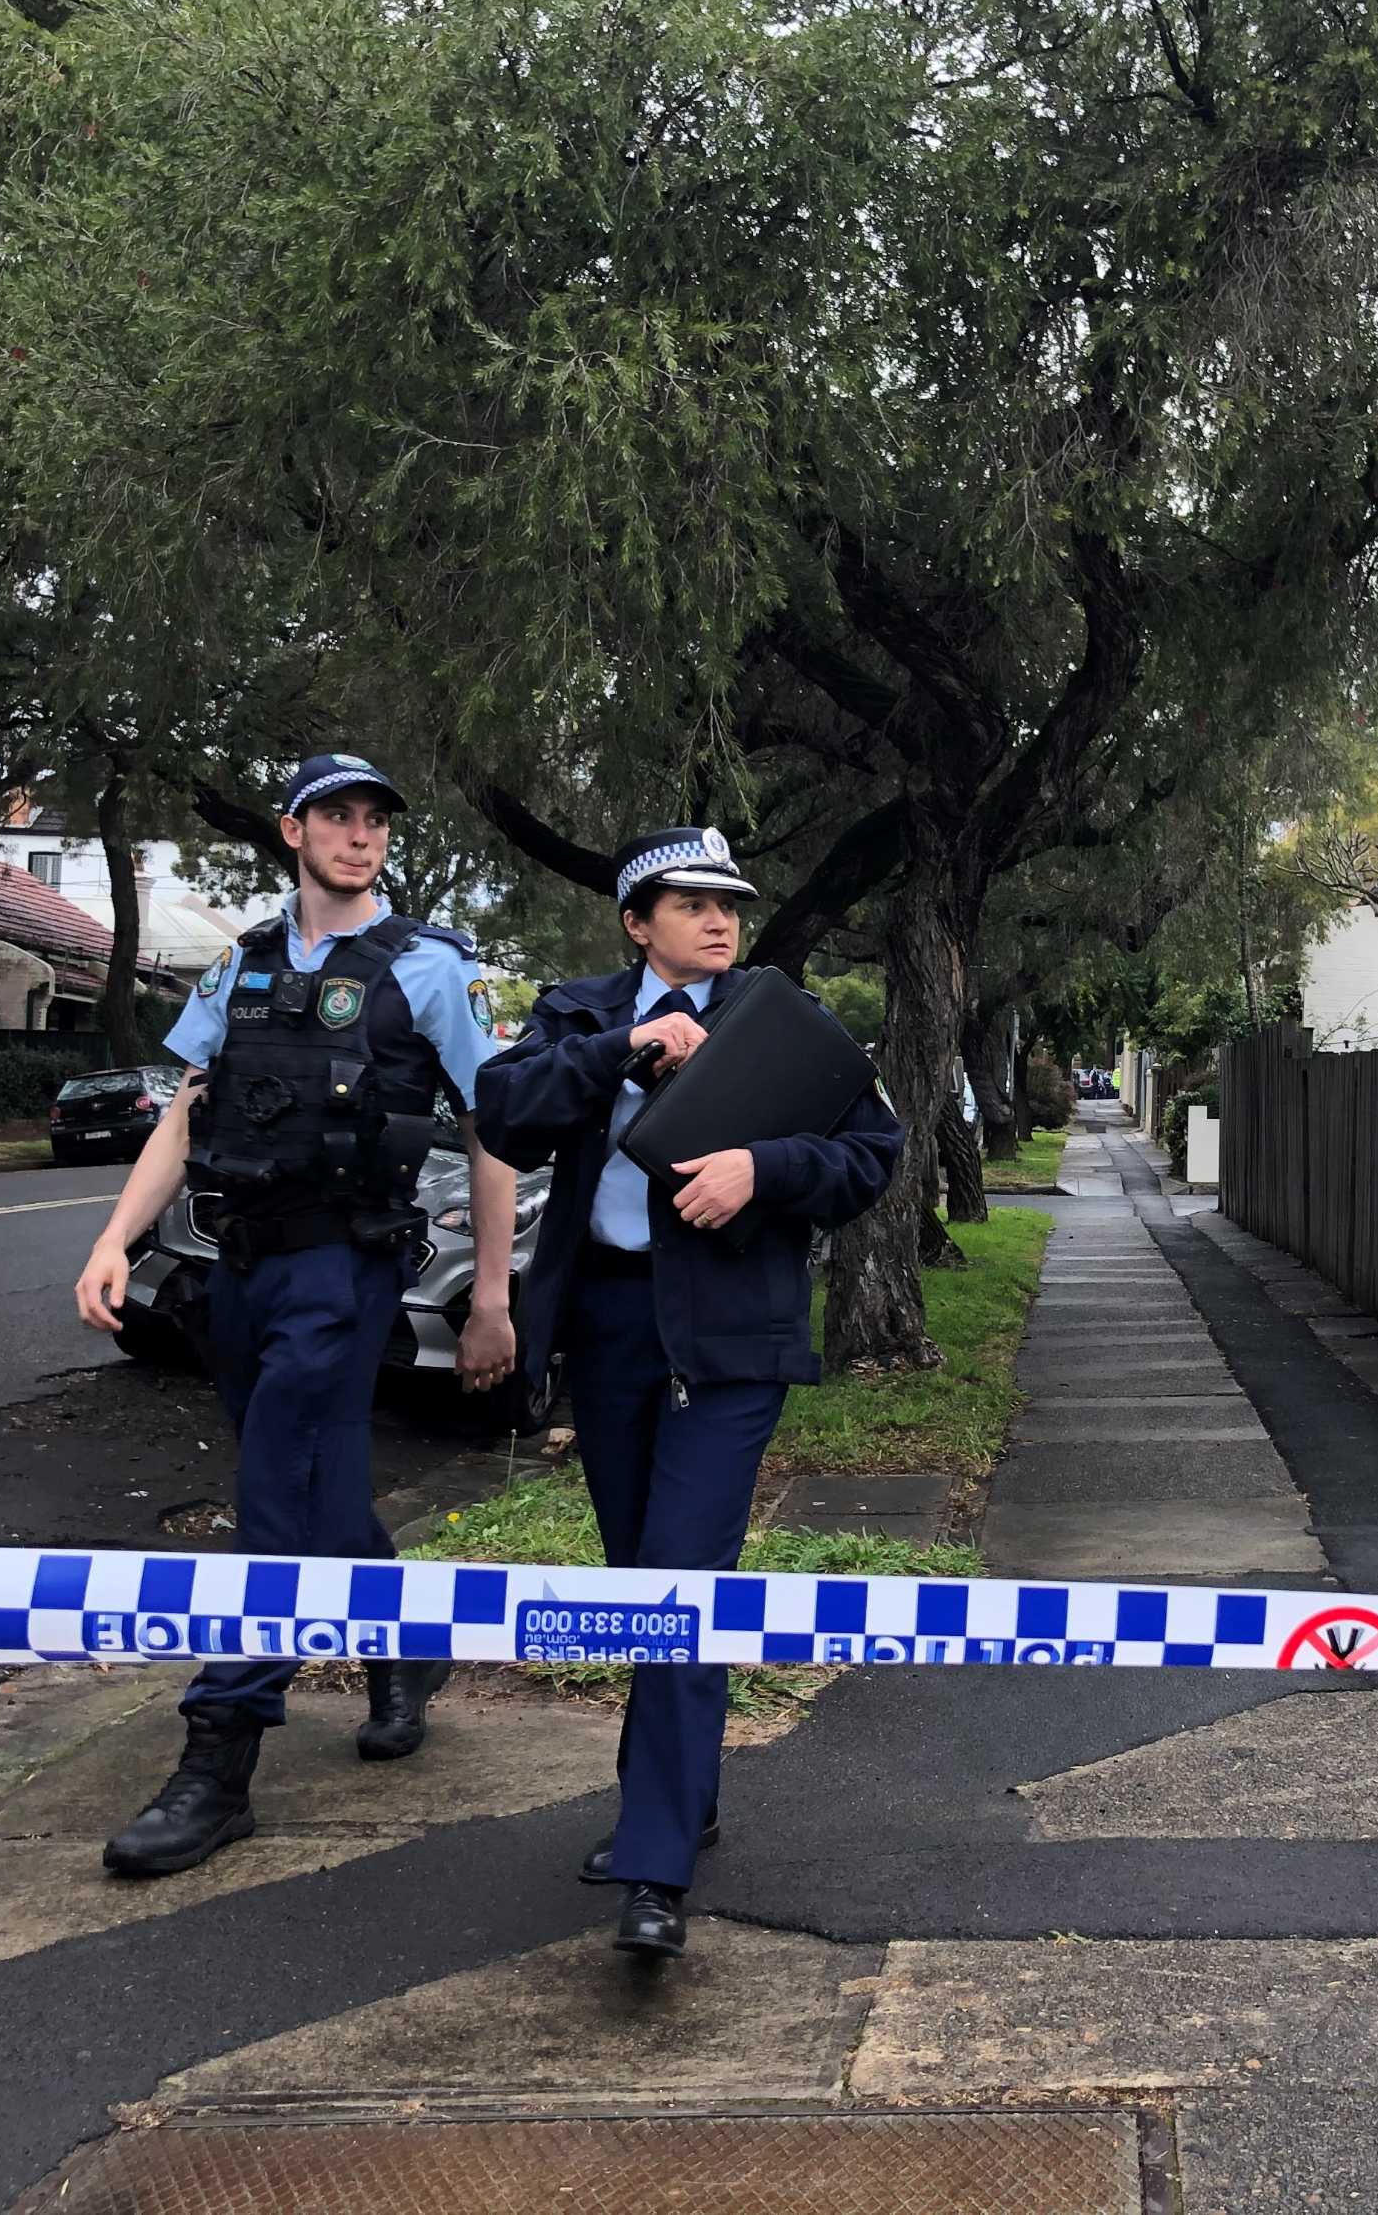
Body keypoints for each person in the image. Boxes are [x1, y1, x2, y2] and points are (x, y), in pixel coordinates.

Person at [72, 753, 519, 1876]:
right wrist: (114, 1239)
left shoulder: (429, 970)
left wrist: (495, 1299)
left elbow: (495, 1129)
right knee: (316, 1479)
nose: (359, 835)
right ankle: (408, 1646)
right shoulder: (244, 964)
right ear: (293, 830)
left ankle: (219, 1762)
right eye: (337, 816)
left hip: (344, 1268)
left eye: (375, 819)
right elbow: (185, 1109)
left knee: (271, 1491)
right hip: (241, 1264)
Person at [477, 826, 902, 1960]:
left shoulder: (781, 1019)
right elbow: (505, 1114)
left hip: (730, 1341)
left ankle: (655, 1861)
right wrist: (623, 1049)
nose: (720, 921)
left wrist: (763, 1170)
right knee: (639, 1582)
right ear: (636, 920)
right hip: (610, 1328)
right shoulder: (580, 1012)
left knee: (680, 1584)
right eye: (691, 903)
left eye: (731, 904)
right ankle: (683, 1792)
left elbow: (871, 1153)